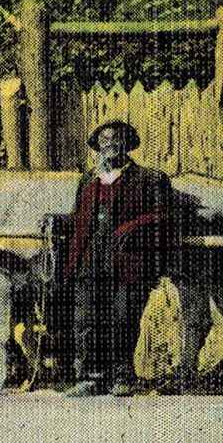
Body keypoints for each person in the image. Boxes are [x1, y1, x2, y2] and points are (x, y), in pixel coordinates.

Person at [63, 120, 175, 396]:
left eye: (115, 138)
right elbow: (79, 221)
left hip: (129, 261)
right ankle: (91, 377)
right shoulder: (88, 180)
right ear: (97, 146)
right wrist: (57, 223)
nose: (109, 144)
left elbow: (165, 216)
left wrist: (133, 227)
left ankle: (122, 376)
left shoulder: (149, 179)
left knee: (124, 318)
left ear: (127, 143)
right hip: (91, 260)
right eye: (104, 140)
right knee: (87, 319)